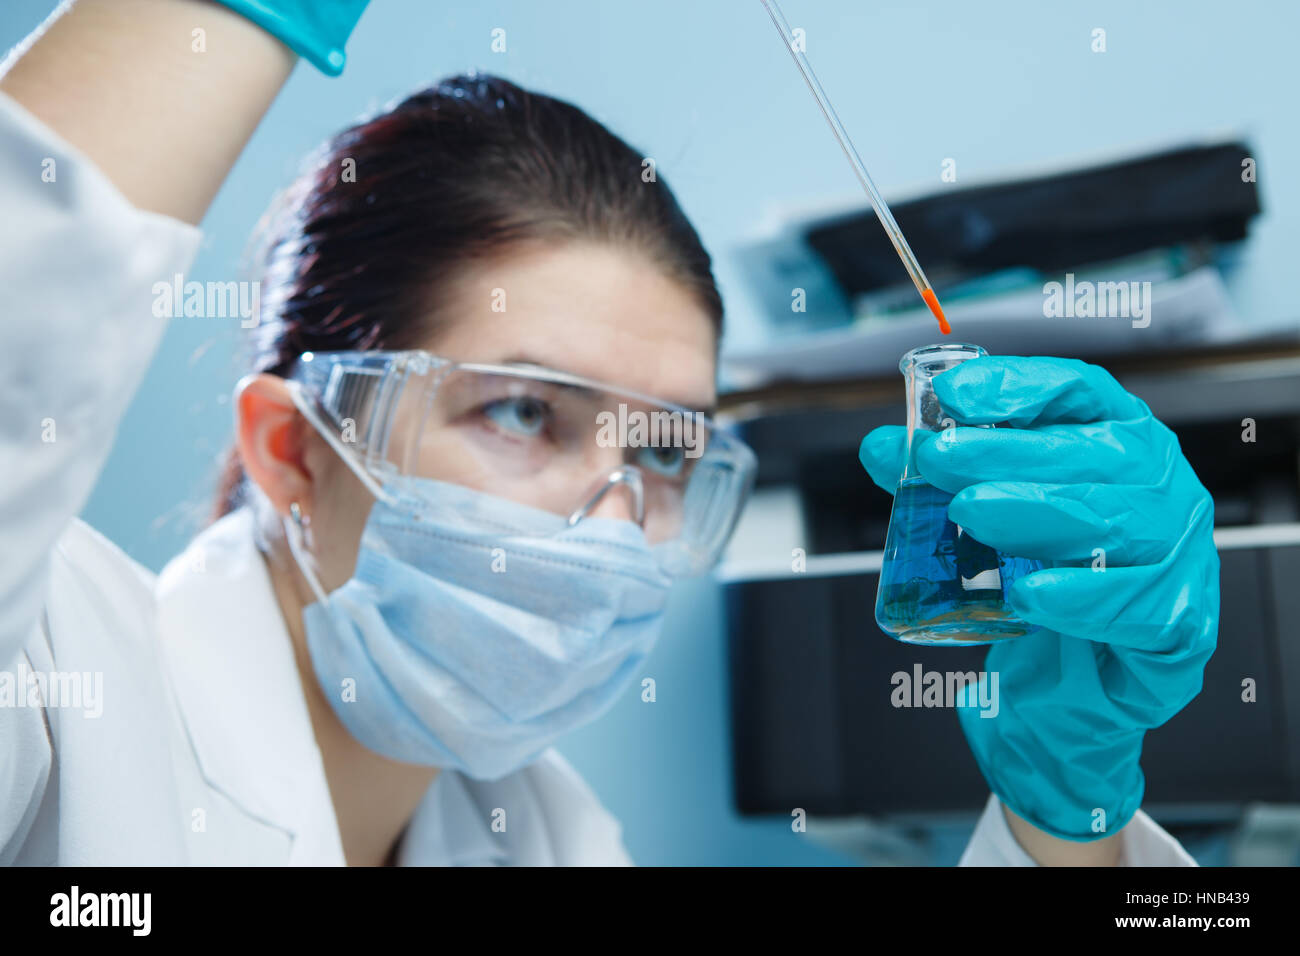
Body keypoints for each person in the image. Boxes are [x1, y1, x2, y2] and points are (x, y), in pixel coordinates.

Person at [0, 0, 1217, 866]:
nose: (612, 516)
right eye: (523, 411)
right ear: (293, 453)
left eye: (662, 450)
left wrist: (1069, 821)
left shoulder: (548, 835)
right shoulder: (53, 709)